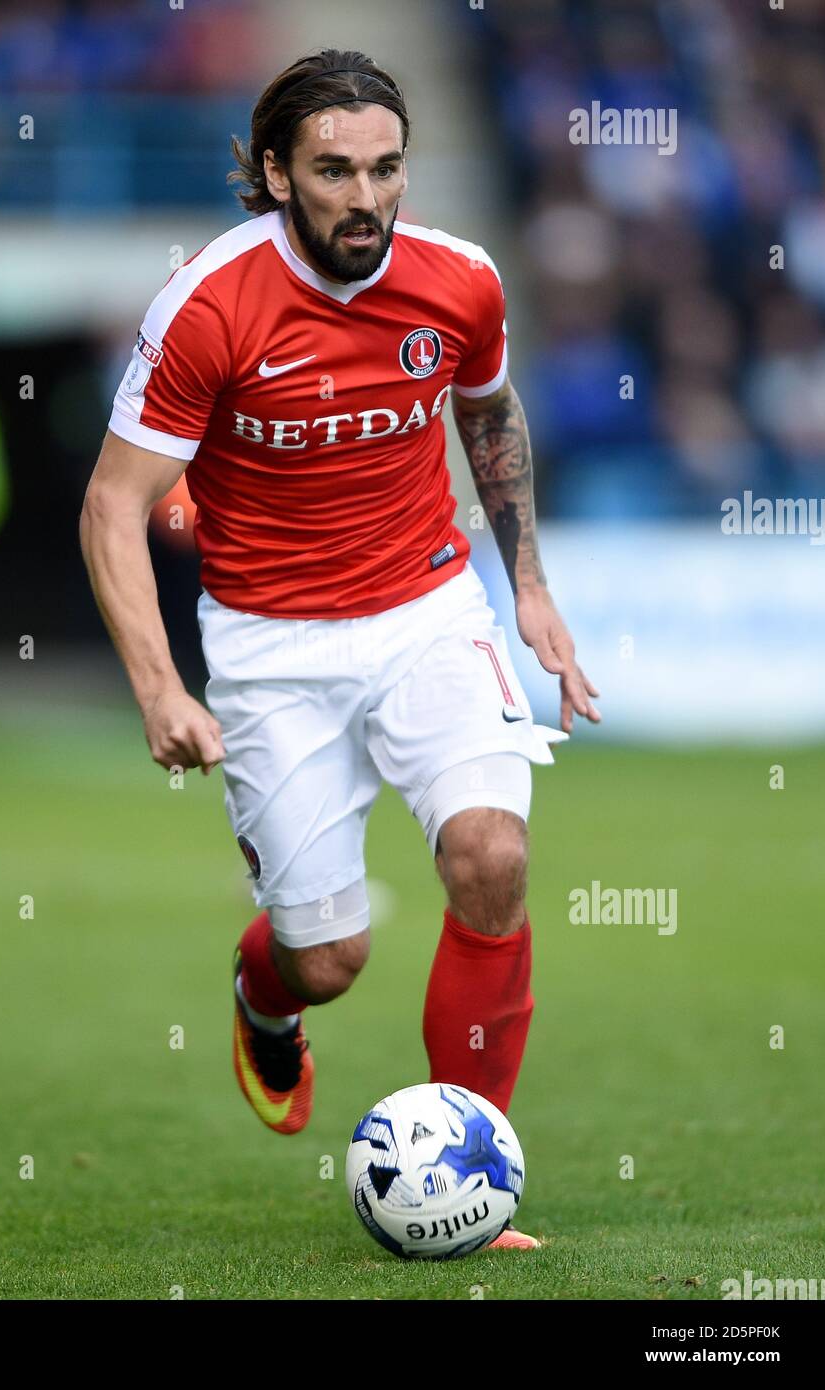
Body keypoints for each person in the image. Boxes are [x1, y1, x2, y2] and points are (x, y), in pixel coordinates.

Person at [80, 48, 600, 1251]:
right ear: (273, 174)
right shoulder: (208, 307)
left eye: (384, 168)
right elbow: (113, 504)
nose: (365, 196)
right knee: (328, 959)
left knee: (489, 855)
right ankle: (264, 1000)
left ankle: (471, 1168)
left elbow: (485, 407)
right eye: (332, 171)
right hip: (268, 645)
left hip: (427, 611)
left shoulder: (458, 280)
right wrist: (160, 689)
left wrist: (525, 584)